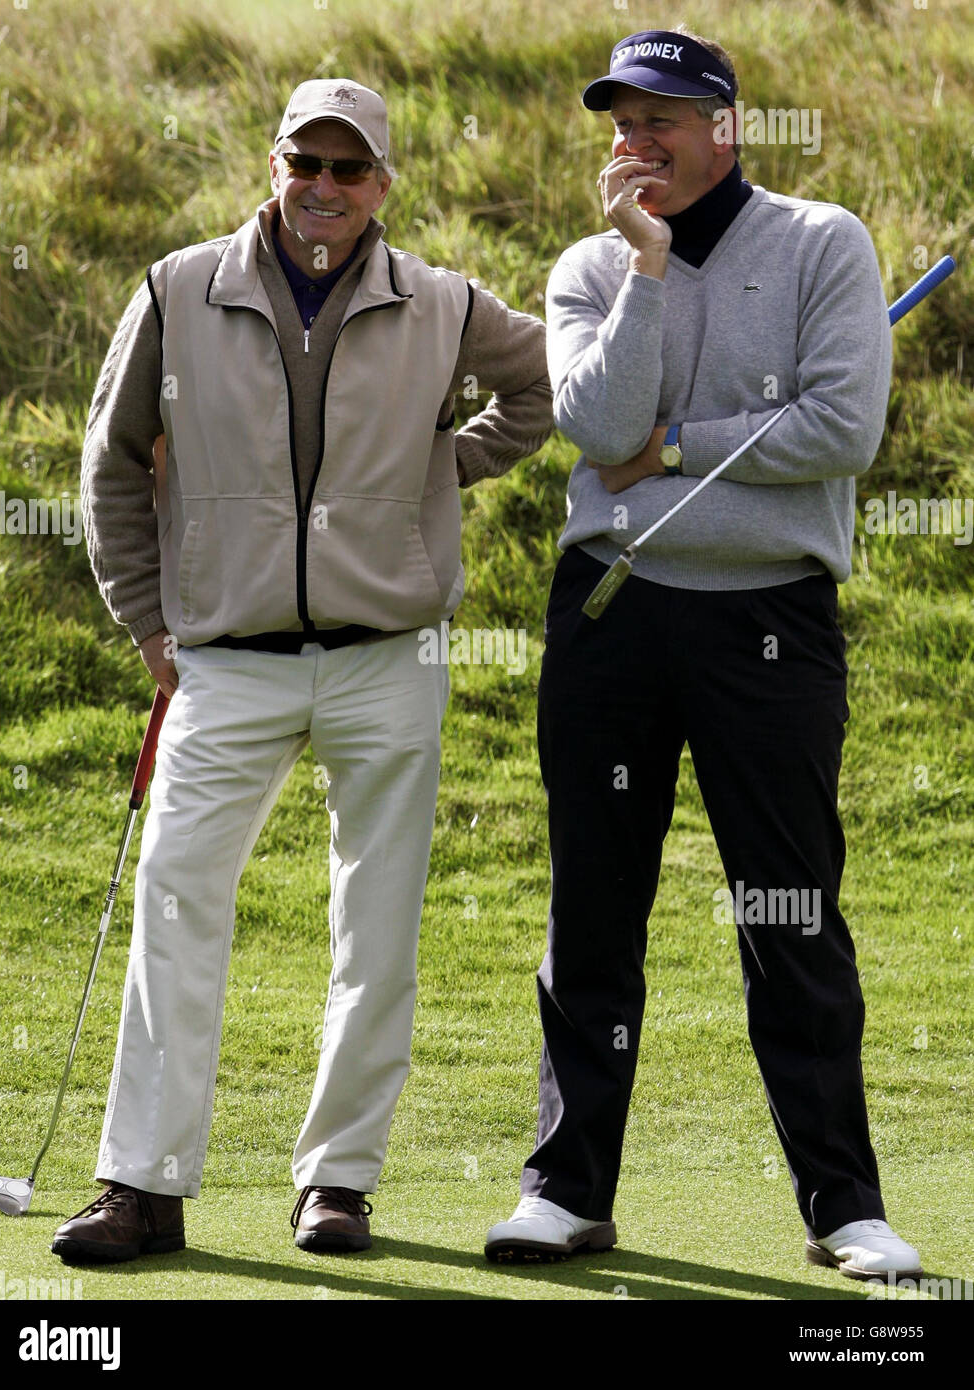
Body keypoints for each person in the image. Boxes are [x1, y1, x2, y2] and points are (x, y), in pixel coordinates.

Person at [53, 78, 551, 1263]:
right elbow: (111, 463)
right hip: (225, 662)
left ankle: (338, 1183)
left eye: (349, 168)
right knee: (176, 904)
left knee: (373, 930)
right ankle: (143, 1185)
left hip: (387, 661)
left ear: (384, 184)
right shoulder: (179, 289)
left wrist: (449, 467)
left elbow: (540, 386)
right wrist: (149, 623)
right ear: (273, 170)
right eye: (303, 164)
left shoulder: (441, 301)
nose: (323, 188)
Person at [485, 29, 923, 1281]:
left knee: (789, 911)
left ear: (727, 124)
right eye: (622, 119)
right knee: (594, 908)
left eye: (664, 115)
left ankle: (845, 1205)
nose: (638, 139)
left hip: (768, 623)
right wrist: (646, 268)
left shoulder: (824, 241)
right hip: (612, 614)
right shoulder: (591, 264)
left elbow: (842, 423)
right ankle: (565, 1191)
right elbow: (596, 420)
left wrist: (675, 451)